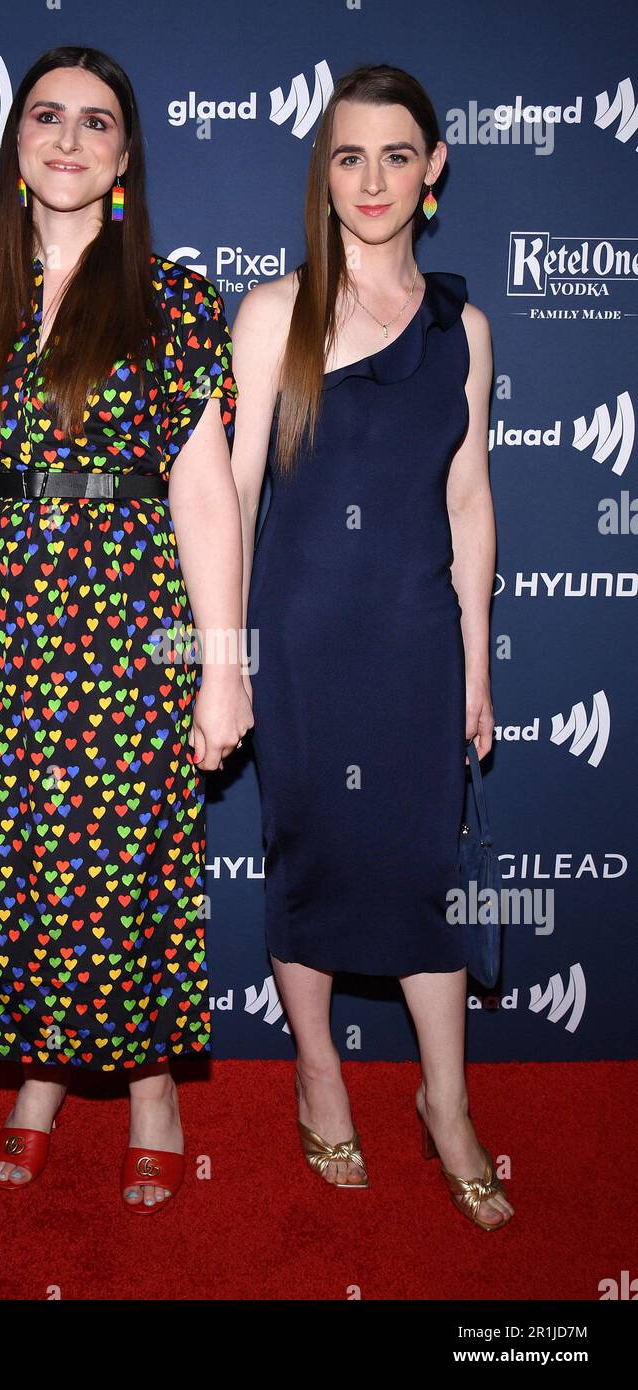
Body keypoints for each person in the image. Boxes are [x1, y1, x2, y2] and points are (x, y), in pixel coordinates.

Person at [0, 45, 251, 1213]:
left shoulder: (178, 300)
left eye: (95, 122)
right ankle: (42, 1074)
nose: (67, 137)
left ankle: (152, 1085)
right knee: (13, 864)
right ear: (14, 146)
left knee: (126, 862)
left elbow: (204, 494)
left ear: (124, 156)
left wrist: (220, 669)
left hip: (128, 615)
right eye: (45, 116)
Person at [230, 64, 514, 1230]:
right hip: (298, 644)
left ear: (434, 167)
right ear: (323, 172)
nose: (373, 179)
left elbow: (468, 501)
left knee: (421, 873)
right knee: (308, 861)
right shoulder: (271, 312)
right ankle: (320, 1074)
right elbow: (234, 498)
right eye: (349, 156)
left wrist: (478, 660)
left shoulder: (465, 328)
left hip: (411, 641)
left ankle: (444, 1103)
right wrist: (223, 654)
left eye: (397, 154)